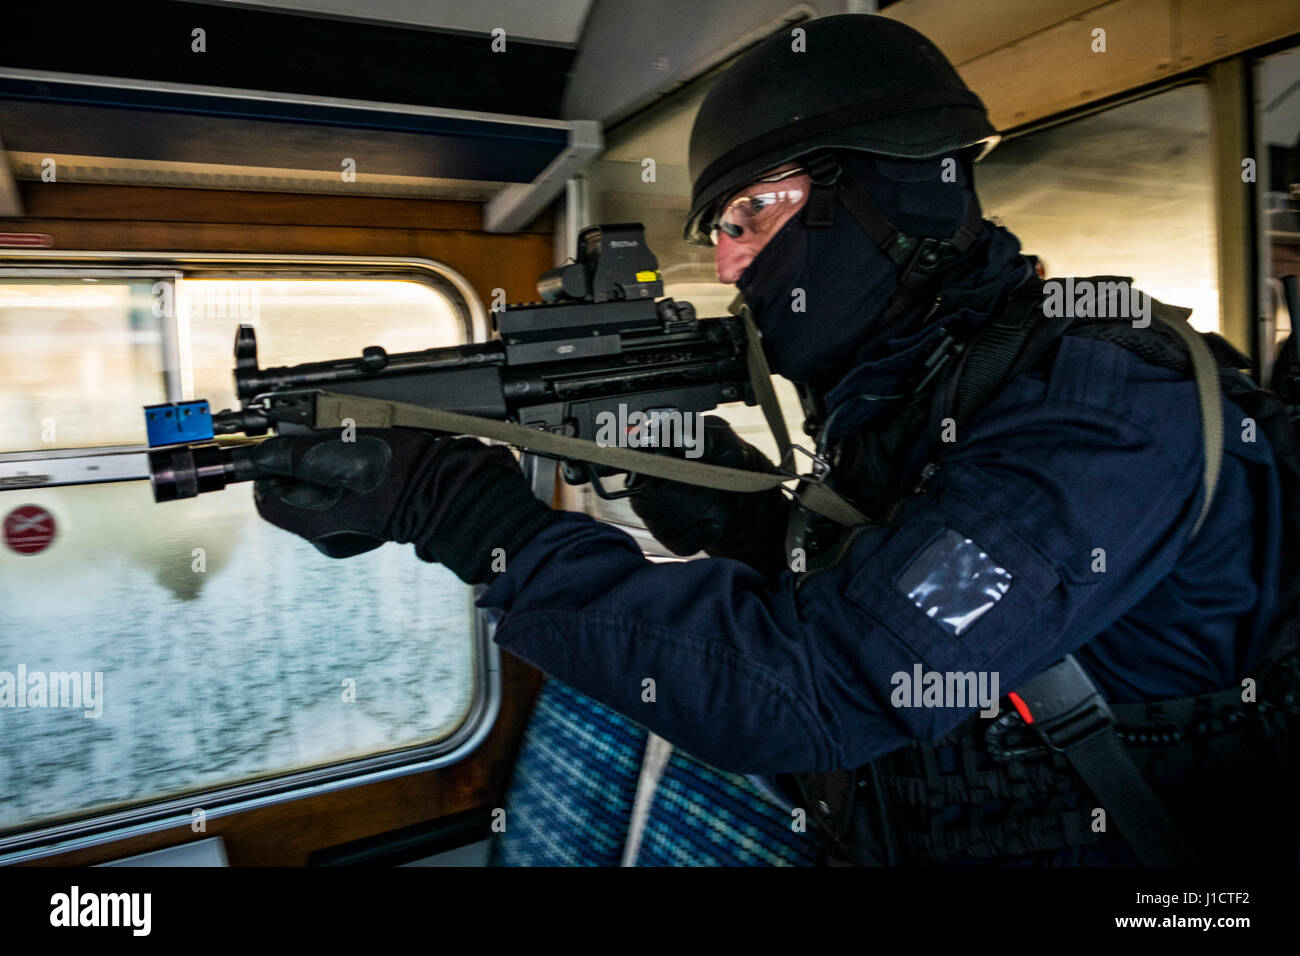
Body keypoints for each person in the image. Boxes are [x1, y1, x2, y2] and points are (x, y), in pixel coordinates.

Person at [251, 14, 1297, 865]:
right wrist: (701, 485)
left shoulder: (1103, 416)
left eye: (751, 214)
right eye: (720, 230)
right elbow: (871, 591)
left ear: (883, 190)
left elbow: (818, 685)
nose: (730, 264)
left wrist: (467, 515)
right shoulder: (927, 386)